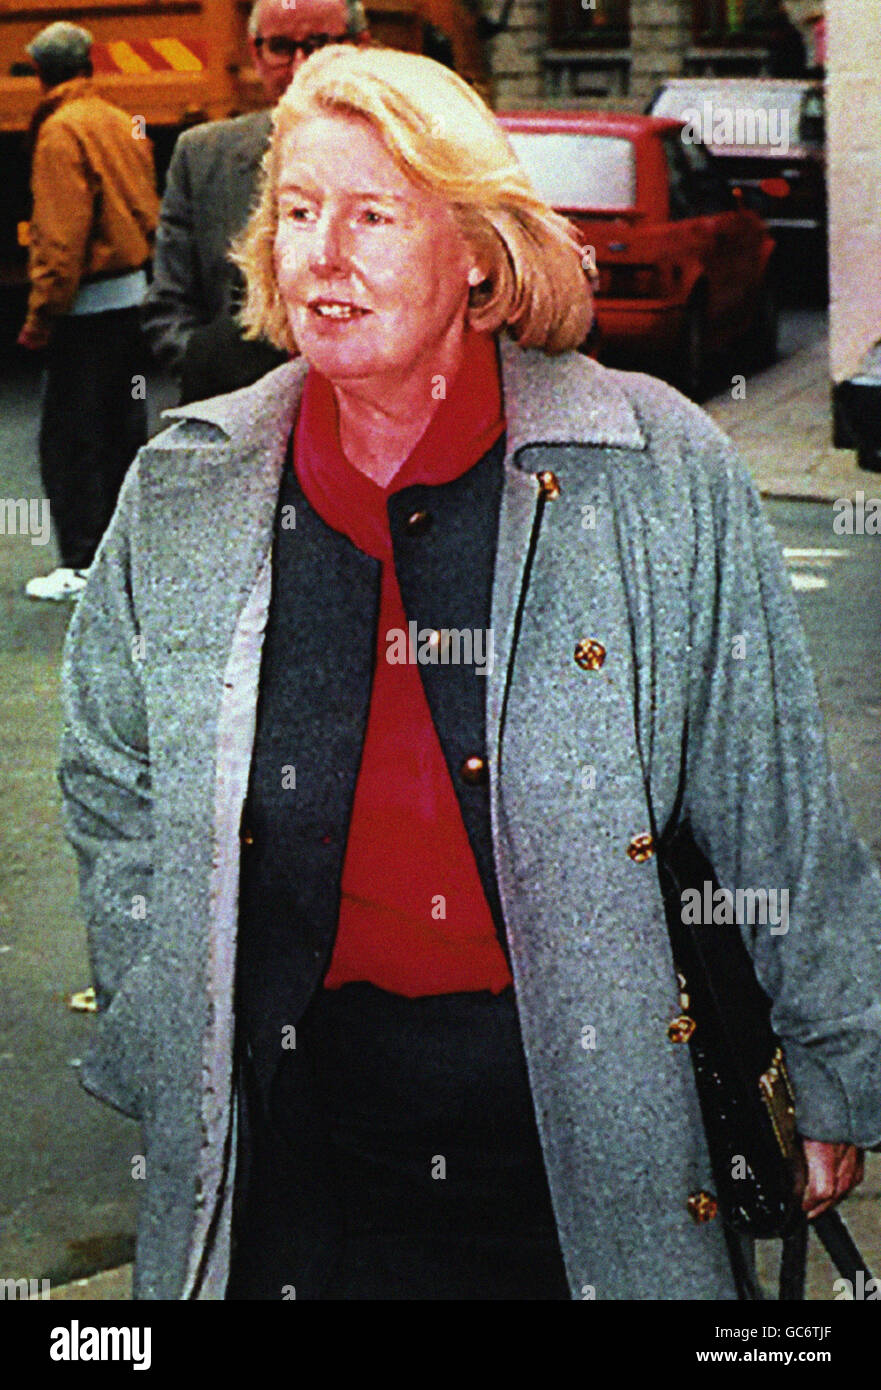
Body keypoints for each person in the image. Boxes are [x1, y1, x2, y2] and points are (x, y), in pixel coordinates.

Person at [60, 46, 881, 1301]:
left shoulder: (652, 471)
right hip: (286, 1140)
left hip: (579, 1138)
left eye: (373, 215)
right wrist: (157, 1020)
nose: (320, 252)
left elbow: (770, 797)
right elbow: (109, 774)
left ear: (480, 256)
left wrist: (830, 1061)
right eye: (295, 210)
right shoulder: (190, 486)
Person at [141, 0, 369, 404]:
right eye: (281, 47)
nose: (300, 66)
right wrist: (219, 375)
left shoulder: (406, 158)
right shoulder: (202, 156)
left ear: (361, 47)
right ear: (255, 54)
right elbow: (169, 305)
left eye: (319, 44)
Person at [18, 22, 158, 602]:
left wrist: (41, 314)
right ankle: (126, 558)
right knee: (123, 430)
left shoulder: (59, 132)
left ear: (42, 74)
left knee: (70, 438)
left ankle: (80, 563)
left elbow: (60, 236)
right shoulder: (125, 120)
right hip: (133, 301)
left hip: (86, 310)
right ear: (90, 65)